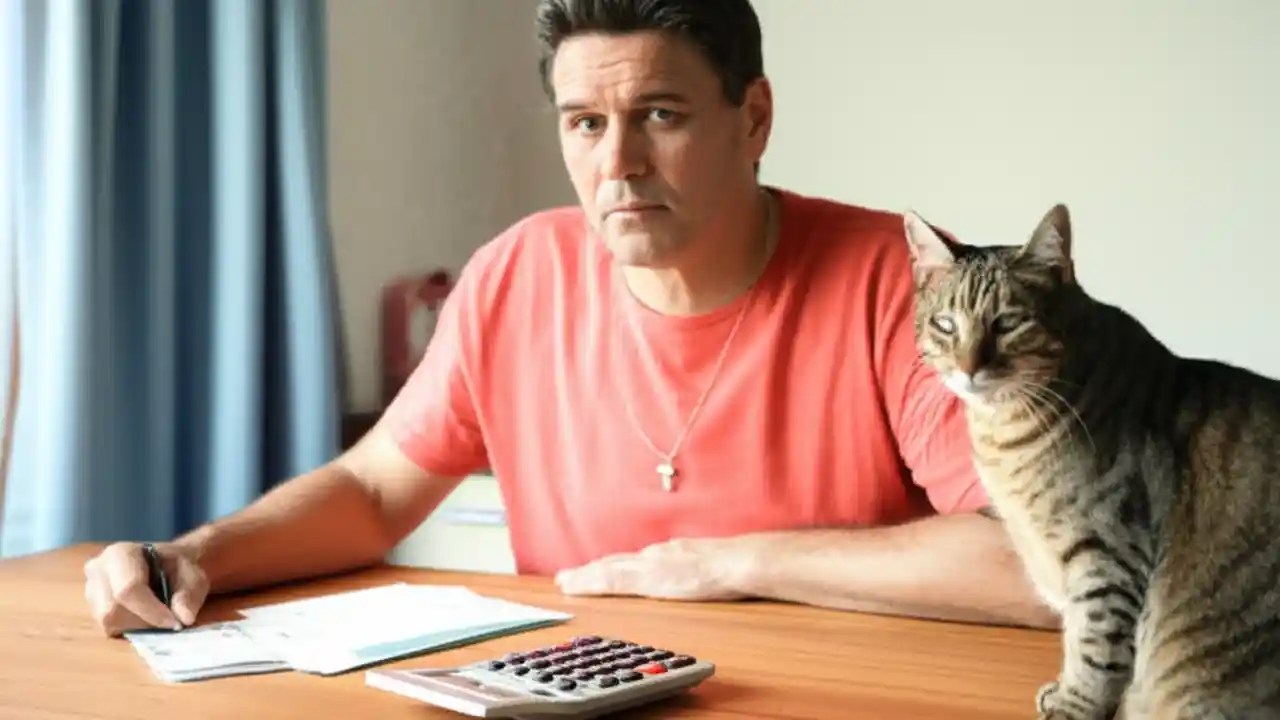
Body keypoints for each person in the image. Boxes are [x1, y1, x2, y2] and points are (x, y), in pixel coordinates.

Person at [82, 0, 1058, 638]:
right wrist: (192, 556)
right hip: (577, 692)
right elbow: (374, 492)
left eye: (661, 115)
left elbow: (1037, 559)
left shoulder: (901, 281)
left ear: (751, 118)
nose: (618, 164)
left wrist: (730, 563)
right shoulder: (518, 269)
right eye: (584, 123)